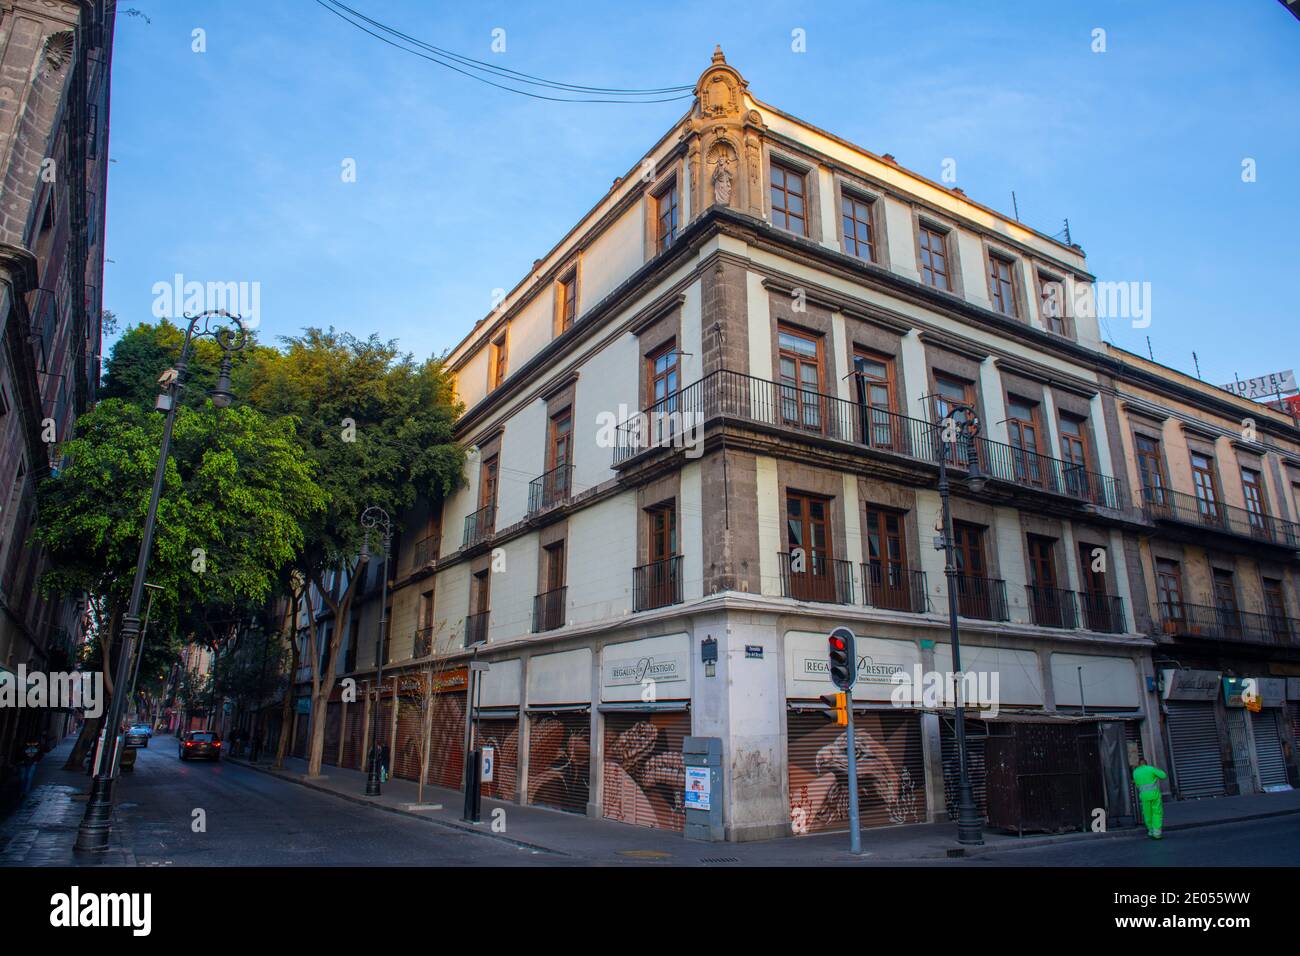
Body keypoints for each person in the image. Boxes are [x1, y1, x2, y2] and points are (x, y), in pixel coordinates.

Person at [1132, 760, 1168, 839]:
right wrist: (1156, 772)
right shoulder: (1150, 769)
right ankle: (1157, 833)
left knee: (1147, 813)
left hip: (1144, 796)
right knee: (1156, 812)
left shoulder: (1135, 772)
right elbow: (1163, 775)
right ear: (1146, 763)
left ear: (1139, 764)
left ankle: (1151, 831)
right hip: (1154, 795)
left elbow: (1137, 784)